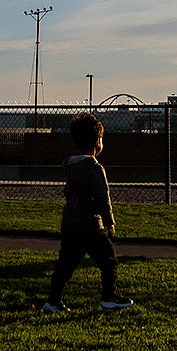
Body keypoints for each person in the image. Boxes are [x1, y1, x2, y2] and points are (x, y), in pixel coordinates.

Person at [42, 112, 133, 312]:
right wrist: (110, 222)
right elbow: (102, 197)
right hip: (91, 224)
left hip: (70, 222)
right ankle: (109, 296)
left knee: (65, 264)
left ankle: (53, 300)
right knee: (108, 259)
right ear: (96, 142)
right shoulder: (95, 168)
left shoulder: (70, 166)